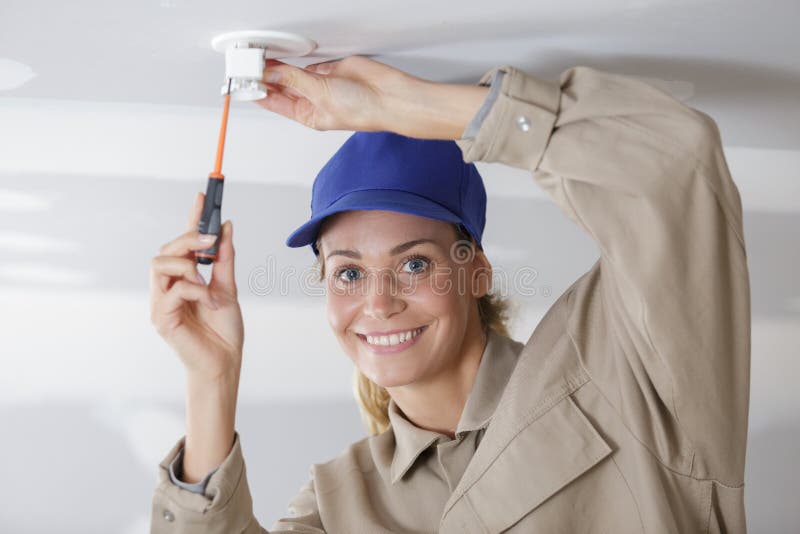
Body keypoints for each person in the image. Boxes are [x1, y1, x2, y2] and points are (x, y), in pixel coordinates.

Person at [149, 56, 750, 533]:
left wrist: (407, 106)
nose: (378, 303)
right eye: (349, 273)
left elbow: (675, 166)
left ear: (477, 272)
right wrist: (212, 379)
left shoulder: (625, 374)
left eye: (414, 263)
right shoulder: (341, 502)